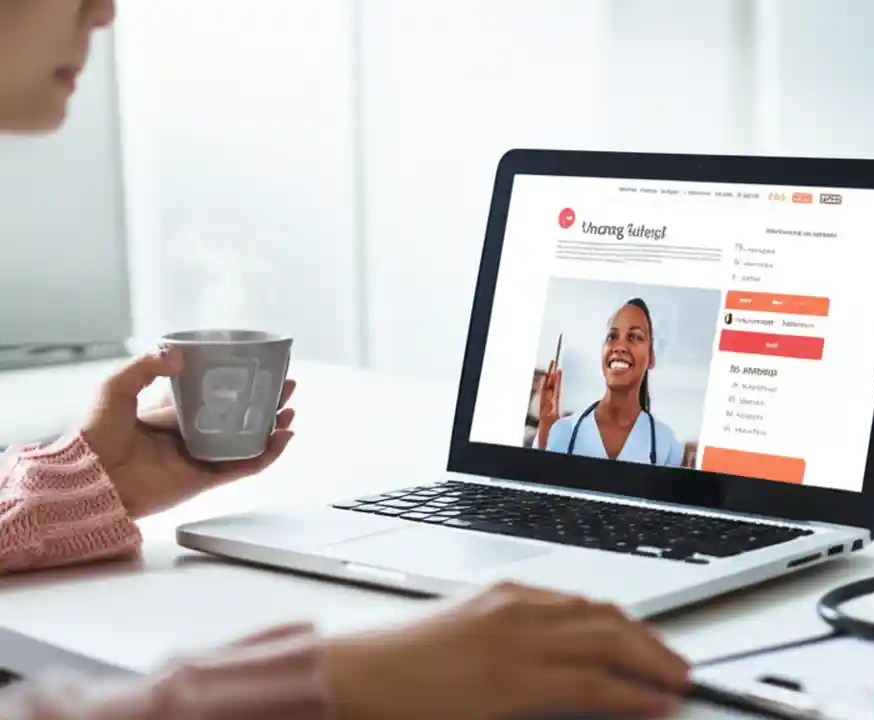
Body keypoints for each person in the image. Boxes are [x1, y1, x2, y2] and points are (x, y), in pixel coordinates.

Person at [0, 1, 690, 718]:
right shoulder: (570, 426)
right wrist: (358, 683)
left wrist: (88, 485)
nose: (105, 10)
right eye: (614, 332)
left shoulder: (667, 442)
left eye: (636, 337)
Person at [537, 298, 685, 467]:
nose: (619, 346)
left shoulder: (669, 446)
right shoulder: (562, 432)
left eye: (634, 337)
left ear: (651, 358)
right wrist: (545, 431)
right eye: (612, 336)